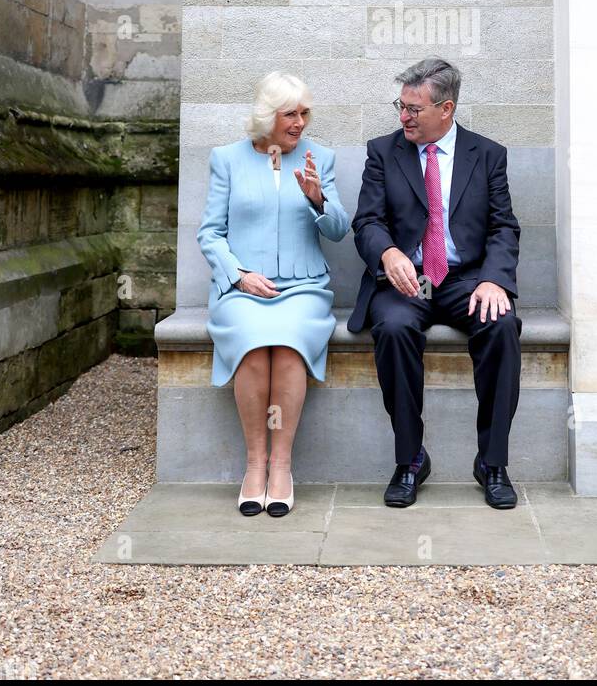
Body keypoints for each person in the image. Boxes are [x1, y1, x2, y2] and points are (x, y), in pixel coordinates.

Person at [350, 57, 522, 509]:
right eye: (400, 106)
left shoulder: (486, 155)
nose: (403, 117)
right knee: (393, 328)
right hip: (410, 281)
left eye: (414, 109)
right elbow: (367, 220)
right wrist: (388, 254)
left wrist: (494, 281)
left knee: (501, 324)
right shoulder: (383, 152)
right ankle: (409, 459)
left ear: (446, 109)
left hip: (465, 281)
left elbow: (503, 227)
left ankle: (493, 462)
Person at [196, 71, 350, 517]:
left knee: (286, 345)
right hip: (242, 286)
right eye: (290, 114)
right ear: (269, 116)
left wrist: (319, 200)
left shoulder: (319, 157)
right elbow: (210, 233)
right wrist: (240, 275)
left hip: (303, 287)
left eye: (305, 113)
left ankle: (281, 466)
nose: (300, 122)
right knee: (250, 345)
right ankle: (254, 466)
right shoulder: (227, 159)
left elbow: (340, 231)